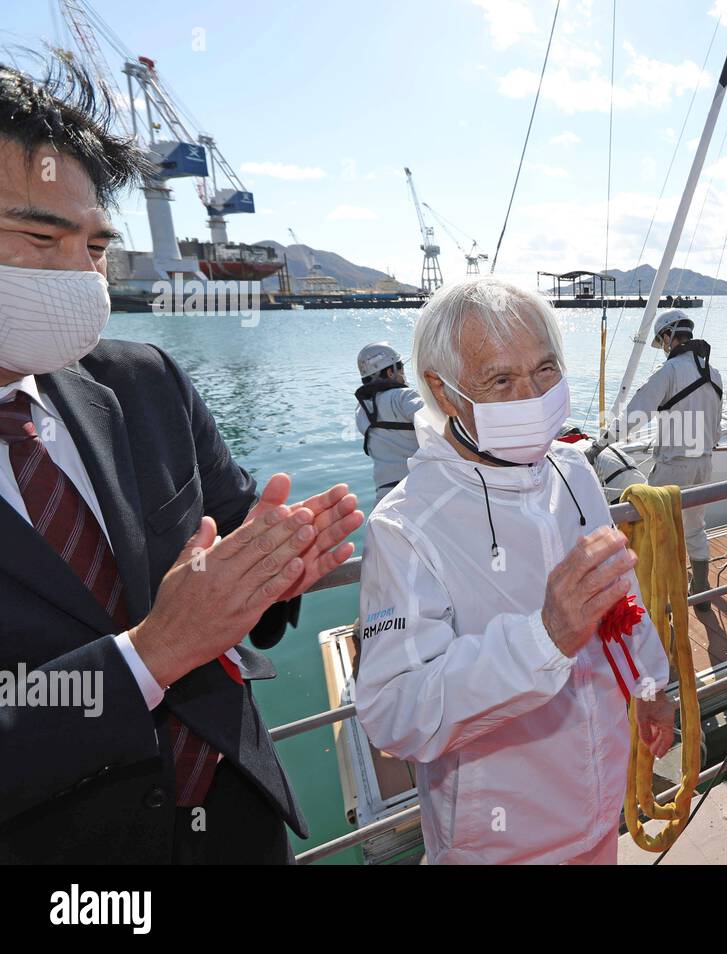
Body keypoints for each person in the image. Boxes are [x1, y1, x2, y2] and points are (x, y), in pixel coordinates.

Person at [0, 57, 362, 864]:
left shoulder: (144, 383)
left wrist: (273, 568)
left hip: (236, 828)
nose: (80, 272)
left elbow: (226, 552)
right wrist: (152, 653)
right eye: (38, 237)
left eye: (95, 244)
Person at [354, 277, 675, 865]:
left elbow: (619, 595)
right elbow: (395, 711)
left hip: (601, 814)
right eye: (502, 380)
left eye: (546, 371)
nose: (531, 396)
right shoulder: (405, 526)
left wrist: (651, 686)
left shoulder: (574, 471)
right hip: (498, 846)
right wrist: (542, 638)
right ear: (443, 392)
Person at [604, 309, 723, 603]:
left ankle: (657, 598)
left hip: (674, 467)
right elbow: (716, 428)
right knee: (695, 526)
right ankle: (702, 589)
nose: (663, 348)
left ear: (669, 336)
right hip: (704, 463)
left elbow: (635, 414)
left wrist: (602, 442)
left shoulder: (668, 372)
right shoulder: (715, 374)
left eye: (662, 341)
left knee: (653, 529)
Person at [354, 341, 422, 503]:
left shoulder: (361, 412)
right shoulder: (404, 396)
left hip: (385, 497)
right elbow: (444, 424)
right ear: (391, 371)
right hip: (419, 489)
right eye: (401, 368)